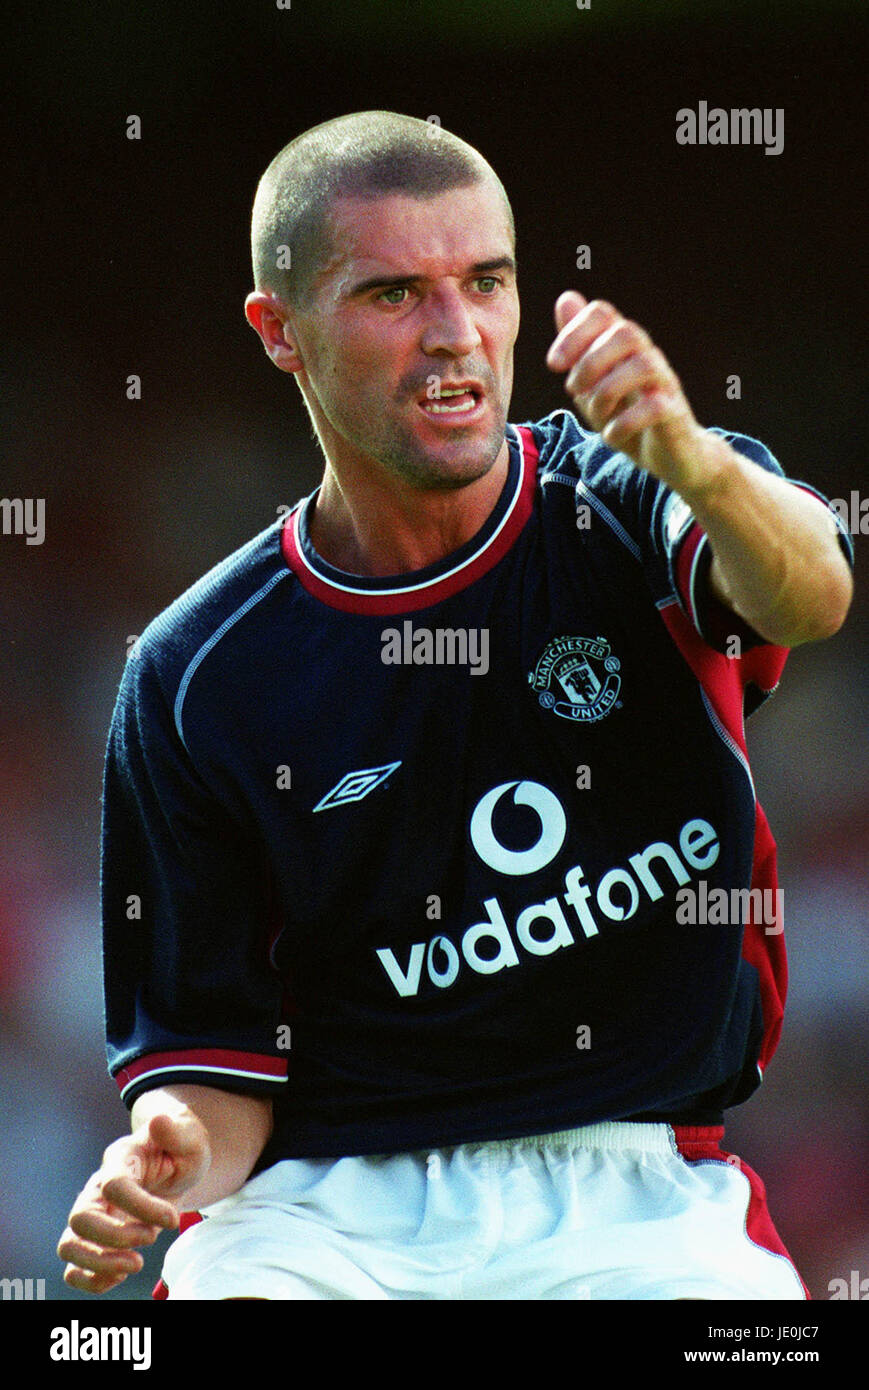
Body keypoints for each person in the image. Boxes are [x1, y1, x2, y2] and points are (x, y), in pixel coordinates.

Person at [58, 110, 853, 1300]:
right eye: (393, 294)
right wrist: (163, 1152)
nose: (455, 335)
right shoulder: (192, 673)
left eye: (484, 282)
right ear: (279, 333)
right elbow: (211, 1066)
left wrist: (691, 460)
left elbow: (809, 591)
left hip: (636, 1197)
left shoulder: (635, 492)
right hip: (323, 1215)